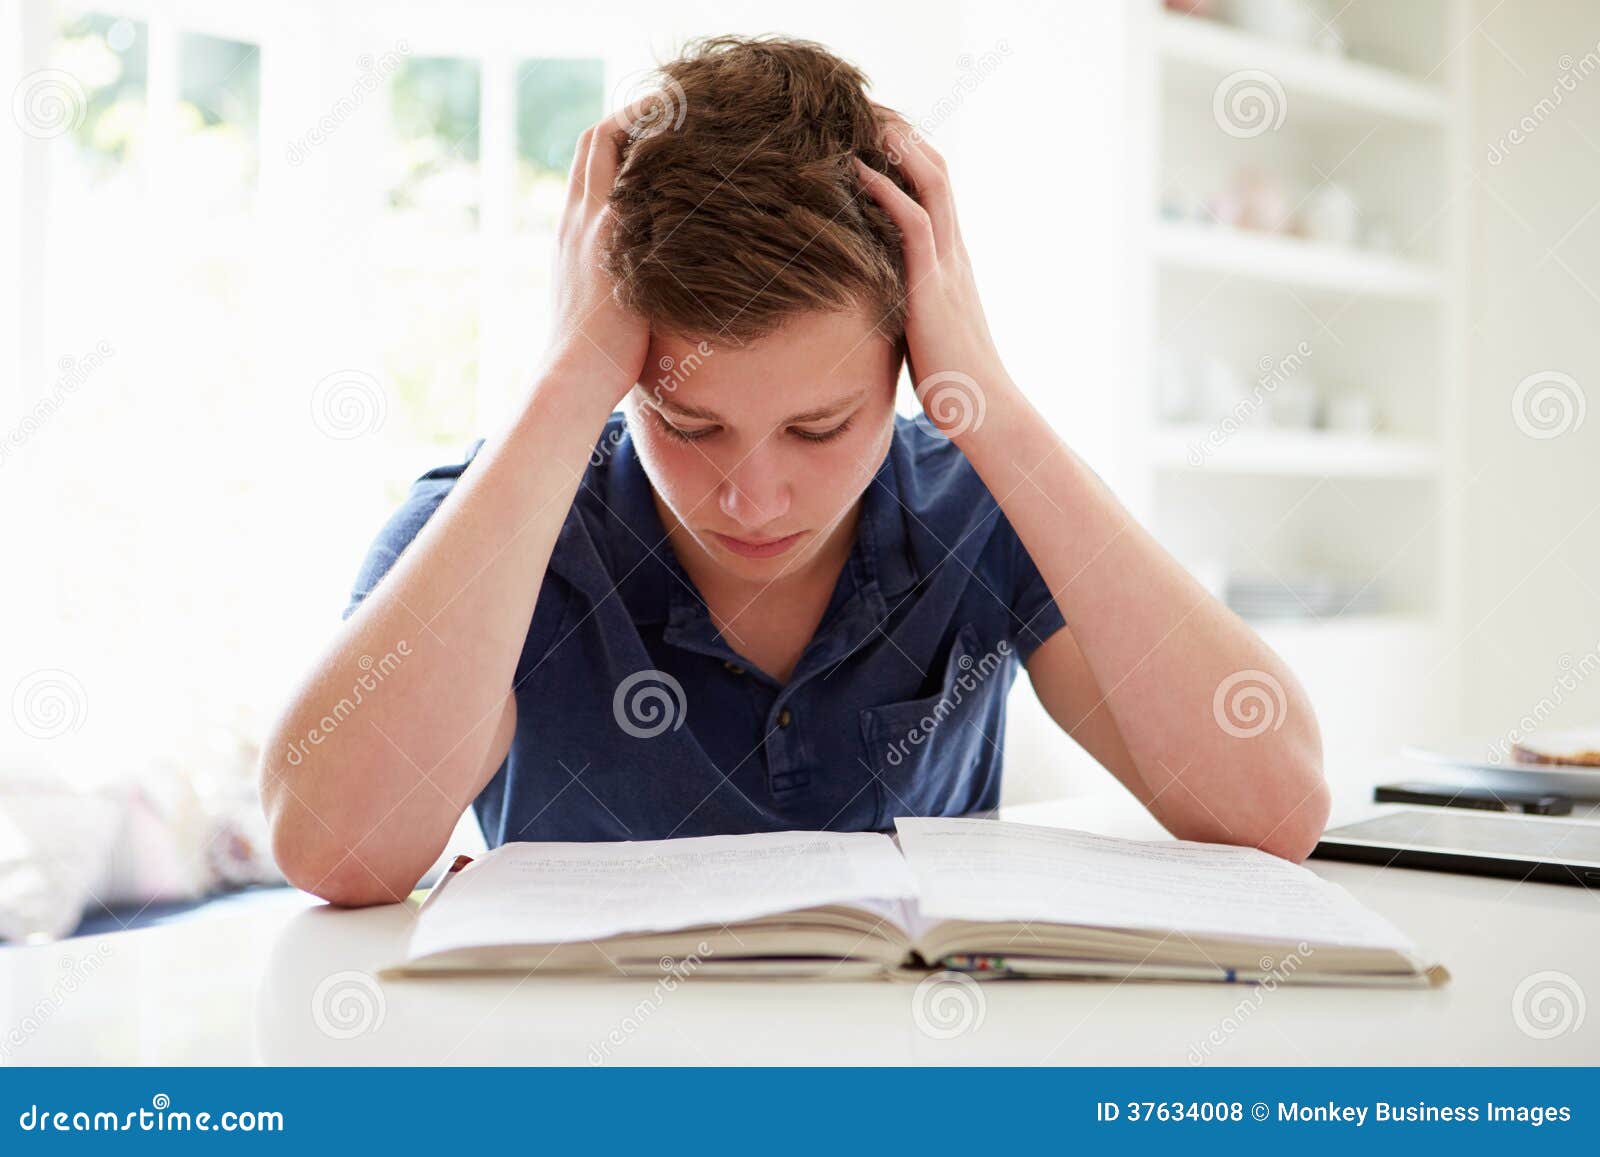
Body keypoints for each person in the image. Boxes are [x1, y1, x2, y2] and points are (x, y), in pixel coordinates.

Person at [260, 35, 1329, 906]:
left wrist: (986, 399)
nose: (754, 499)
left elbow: (1272, 808)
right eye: (689, 423)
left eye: (819, 427)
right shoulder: (497, 522)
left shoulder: (978, 504)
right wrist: (565, 383)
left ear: (910, 359)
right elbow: (338, 853)